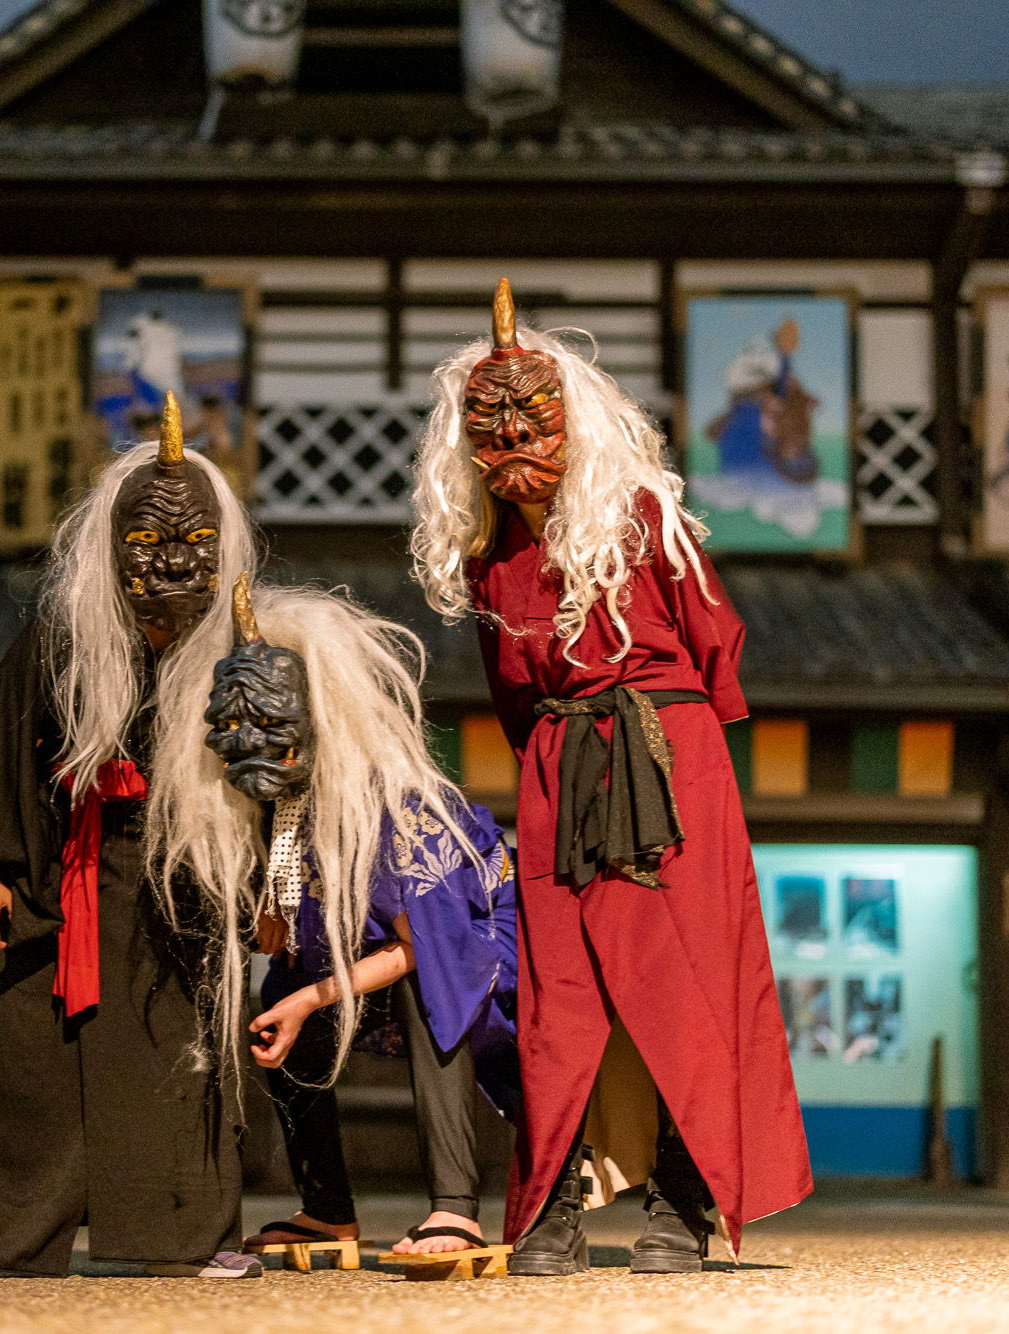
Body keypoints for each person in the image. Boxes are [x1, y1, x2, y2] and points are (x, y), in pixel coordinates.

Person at [408, 281, 811, 1276]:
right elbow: (510, 690)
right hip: (558, 763)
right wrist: (554, 747)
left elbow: (710, 641)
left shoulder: (639, 514)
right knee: (558, 994)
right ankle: (549, 1208)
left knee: (683, 981)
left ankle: (680, 1203)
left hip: (667, 758)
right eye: (486, 432)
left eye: (531, 422)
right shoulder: (488, 559)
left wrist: (675, 752)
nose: (510, 448)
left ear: (570, 419)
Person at [0, 395, 263, 1281]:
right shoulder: (60, 637)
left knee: (185, 1064)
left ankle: (198, 1238)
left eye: (192, 544)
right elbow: (3, 753)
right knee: (18, 1062)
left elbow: (276, 794)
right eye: (146, 544)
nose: (171, 560)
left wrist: (273, 891)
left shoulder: (246, 647)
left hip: (183, 887)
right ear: (110, 546)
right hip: (64, 873)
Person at [202, 576, 519, 1258]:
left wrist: (314, 997)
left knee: (427, 987)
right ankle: (326, 1208)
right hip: (382, 957)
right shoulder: (287, 802)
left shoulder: (400, 804)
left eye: (272, 725)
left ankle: (455, 1204)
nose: (251, 742)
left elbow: (424, 948)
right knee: (278, 995)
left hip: (475, 960)